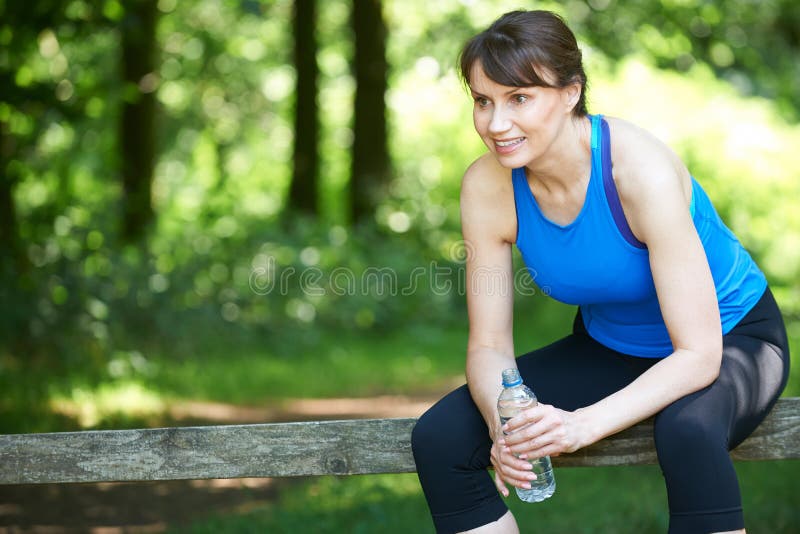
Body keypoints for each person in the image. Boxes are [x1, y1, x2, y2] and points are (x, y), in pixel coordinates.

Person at [410, 9, 790, 534]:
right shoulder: (488, 187)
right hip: (613, 345)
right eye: (483, 101)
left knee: (687, 431)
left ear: (571, 92)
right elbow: (489, 347)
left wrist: (577, 427)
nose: (496, 124)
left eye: (519, 98)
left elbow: (699, 357)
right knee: (442, 437)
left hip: (730, 339)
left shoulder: (639, 170)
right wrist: (506, 428)